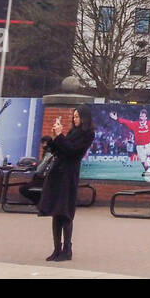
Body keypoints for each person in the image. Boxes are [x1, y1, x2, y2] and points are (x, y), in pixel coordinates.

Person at [38, 107, 93, 262]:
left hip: (69, 174)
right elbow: (60, 150)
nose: (75, 119)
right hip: (58, 173)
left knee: (65, 212)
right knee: (56, 212)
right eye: (74, 116)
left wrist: (60, 136)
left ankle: (67, 249)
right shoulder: (72, 132)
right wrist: (54, 138)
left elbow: (73, 151)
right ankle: (57, 248)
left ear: (84, 118)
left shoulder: (87, 134)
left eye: (77, 117)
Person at [110, 108, 150, 181]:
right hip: (140, 148)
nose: (141, 117)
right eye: (140, 116)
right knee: (146, 166)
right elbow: (125, 122)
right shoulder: (135, 124)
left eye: (142, 116)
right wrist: (117, 118)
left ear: (146, 118)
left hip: (148, 145)